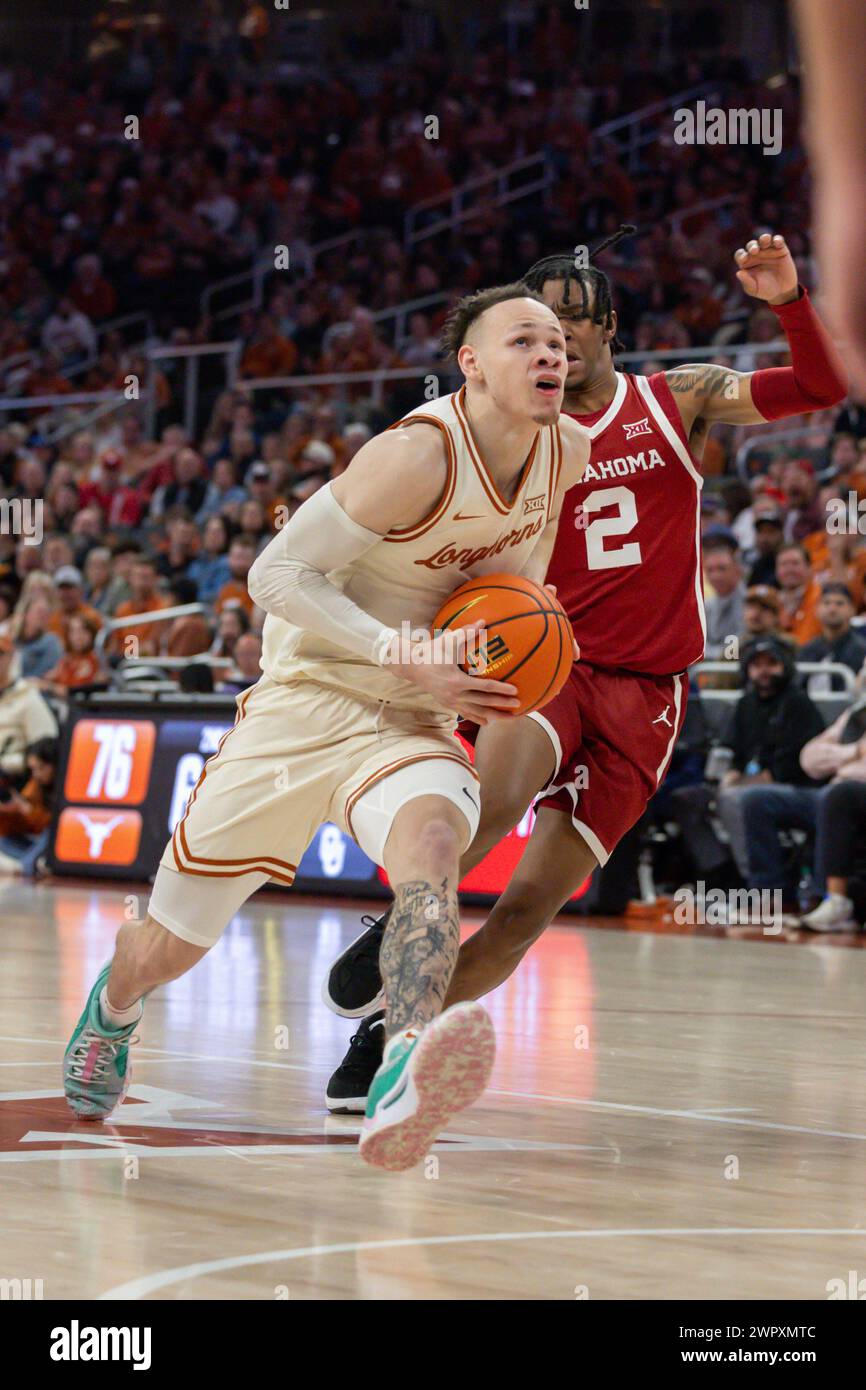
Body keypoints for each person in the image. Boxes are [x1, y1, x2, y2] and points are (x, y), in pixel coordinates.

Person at [62, 283, 590, 1172]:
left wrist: (489, 668)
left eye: (557, 344)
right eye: (524, 341)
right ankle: (113, 1008)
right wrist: (400, 647)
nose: (550, 356)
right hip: (305, 700)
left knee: (431, 844)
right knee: (169, 945)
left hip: (411, 716)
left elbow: (513, 589)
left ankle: (404, 1061)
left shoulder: (565, 449)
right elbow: (277, 573)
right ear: (470, 364)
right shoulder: (415, 456)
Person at [323, 229, 849, 1112]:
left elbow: (824, 387)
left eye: (569, 326)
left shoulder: (677, 399)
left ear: (610, 329)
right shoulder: (501, 430)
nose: (552, 346)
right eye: (531, 332)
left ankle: (389, 1031)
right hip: (546, 664)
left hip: (649, 692)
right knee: (489, 807)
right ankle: (397, 928)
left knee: (527, 914)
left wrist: (790, 303)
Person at [797, 699, 866, 931]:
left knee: (840, 797)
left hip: (847, 793)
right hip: (832, 791)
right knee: (757, 800)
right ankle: (765, 894)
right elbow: (810, 759)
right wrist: (854, 751)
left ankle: (835, 899)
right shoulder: (857, 712)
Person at [798, 583, 866, 692]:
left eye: (839, 603)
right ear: (817, 609)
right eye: (826, 603)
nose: (832, 609)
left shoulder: (861, 650)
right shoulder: (807, 649)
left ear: (852, 610)